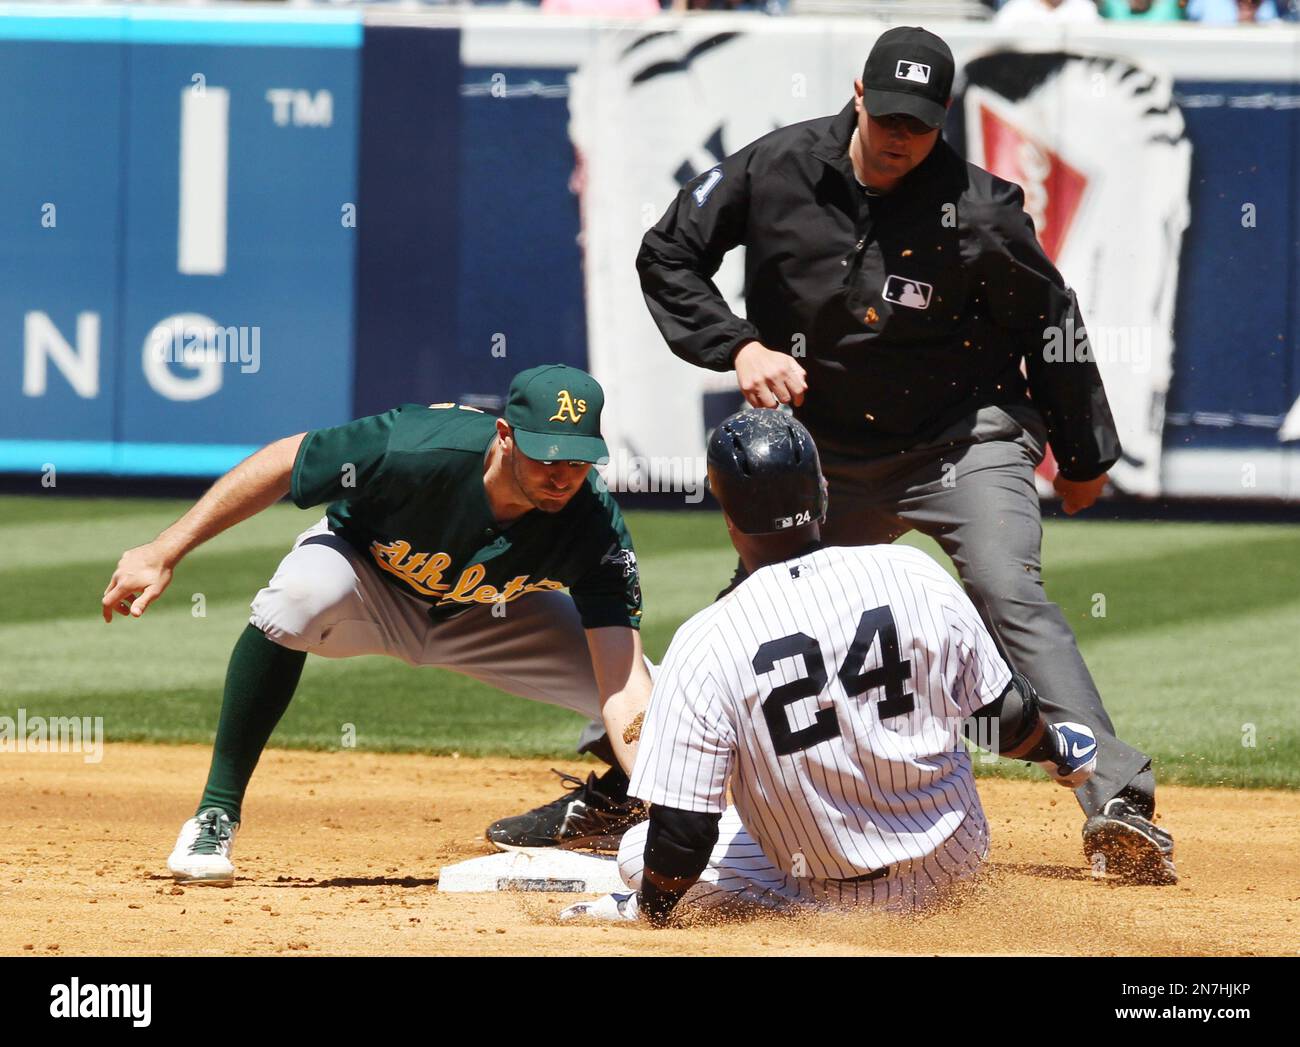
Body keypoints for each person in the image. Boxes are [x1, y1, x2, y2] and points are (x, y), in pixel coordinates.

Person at [633, 25, 1175, 884]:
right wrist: (737, 346)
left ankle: (1117, 800)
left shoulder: (984, 210)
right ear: (857, 93)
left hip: (962, 437)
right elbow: (668, 253)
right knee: (748, 620)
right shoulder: (777, 168)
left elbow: (1053, 323)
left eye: (917, 125)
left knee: (1003, 584)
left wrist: (1083, 453)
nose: (898, 136)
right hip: (829, 454)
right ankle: (637, 789)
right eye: (886, 115)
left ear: (942, 119)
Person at [101, 364, 651, 885]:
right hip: (366, 581)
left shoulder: (594, 524)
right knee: (297, 597)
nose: (562, 477)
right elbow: (281, 462)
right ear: (505, 435)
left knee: (671, 703)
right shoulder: (417, 445)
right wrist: (165, 548)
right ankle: (214, 816)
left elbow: (624, 685)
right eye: (547, 458)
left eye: (578, 462)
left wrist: (664, 803)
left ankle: (649, 816)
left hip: (491, 615)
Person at [561, 409, 1099, 924]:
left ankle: (787, 915)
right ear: (822, 495)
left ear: (727, 518)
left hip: (817, 885)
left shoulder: (705, 640)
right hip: (951, 867)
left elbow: (684, 831)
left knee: (638, 852)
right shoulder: (912, 572)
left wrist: (649, 911)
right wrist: (1058, 754)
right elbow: (1002, 718)